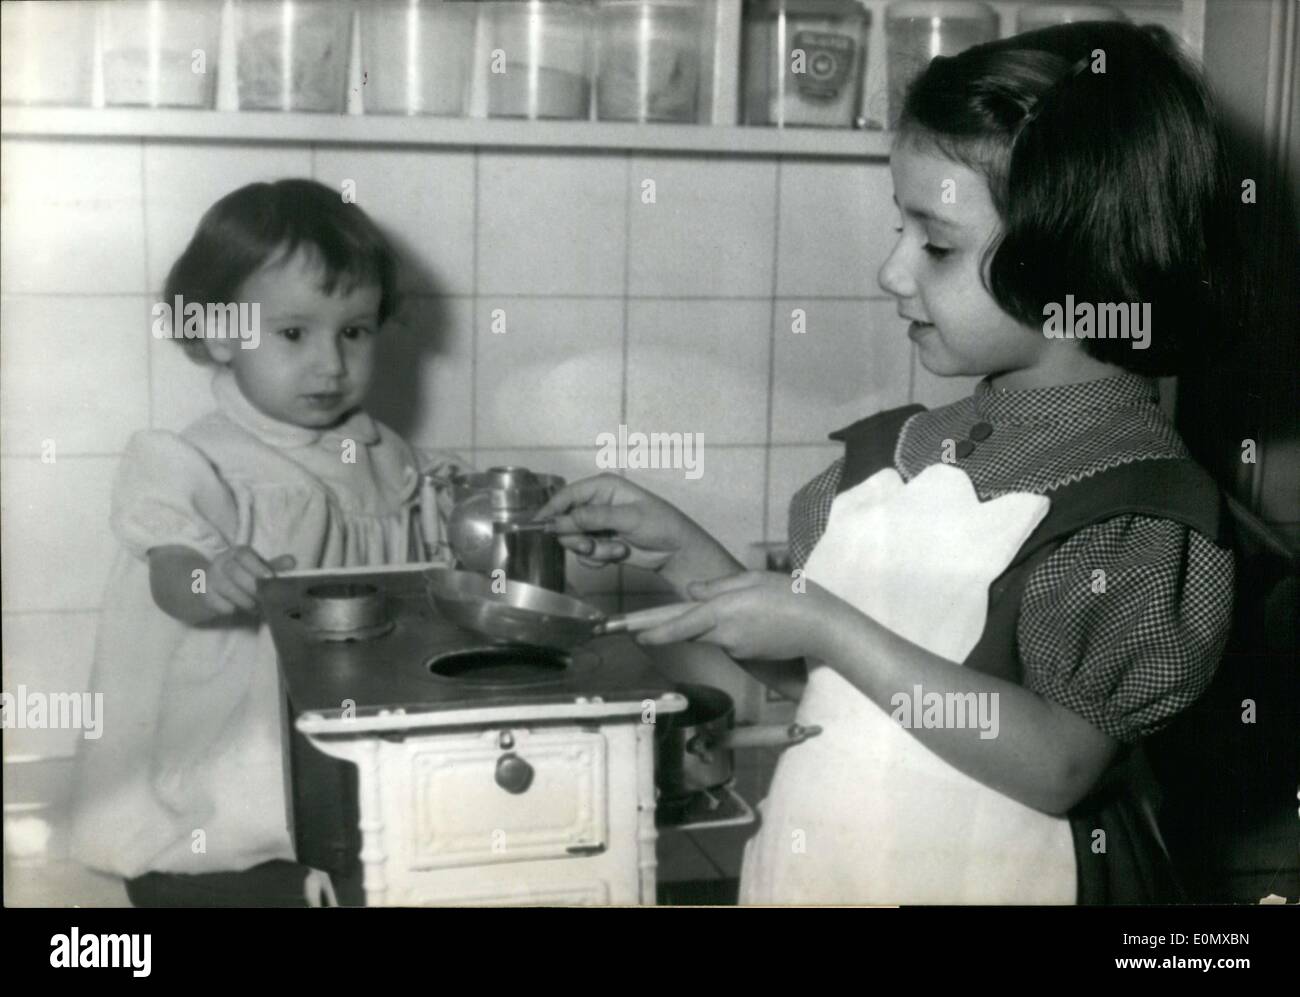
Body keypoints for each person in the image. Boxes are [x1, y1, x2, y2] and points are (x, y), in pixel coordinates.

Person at [538, 22, 1241, 904]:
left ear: (1080, 262)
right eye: (899, 230)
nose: (891, 270)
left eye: (936, 244)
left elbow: (1061, 762)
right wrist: (681, 549)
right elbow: (833, 678)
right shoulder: (903, 452)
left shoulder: (1129, 501)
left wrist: (829, 625)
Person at [69, 179, 462, 906]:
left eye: (355, 330)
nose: (331, 364)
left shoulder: (385, 455)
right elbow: (166, 571)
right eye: (293, 333)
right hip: (221, 780)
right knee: (218, 872)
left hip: (335, 765)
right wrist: (204, 576)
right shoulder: (197, 459)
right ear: (221, 331)